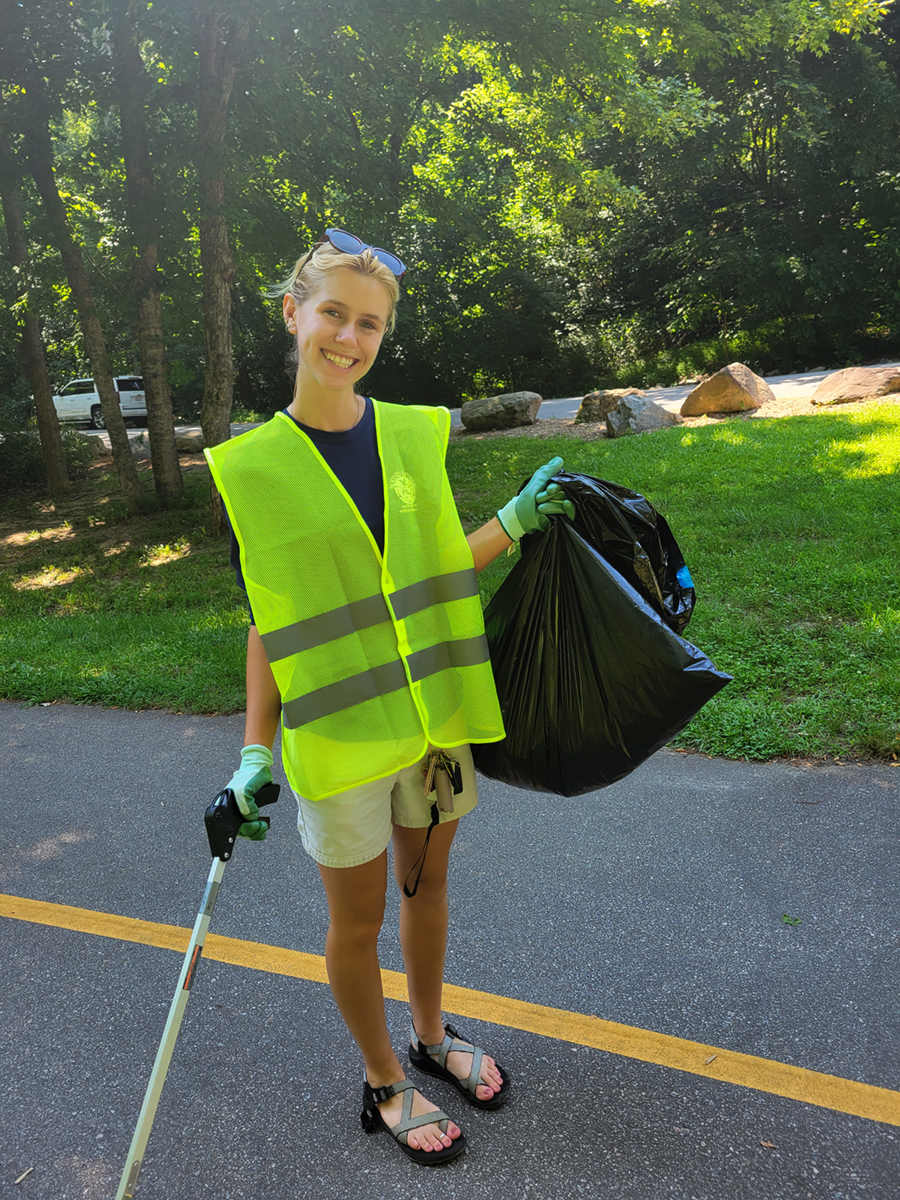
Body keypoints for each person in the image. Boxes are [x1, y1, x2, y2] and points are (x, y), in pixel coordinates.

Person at [205, 229, 575, 1166]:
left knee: (431, 886)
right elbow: (270, 622)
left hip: (435, 722)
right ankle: (383, 1081)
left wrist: (514, 522)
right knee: (358, 924)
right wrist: (254, 750)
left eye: (369, 323)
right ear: (292, 314)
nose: (349, 337)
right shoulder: (249, 469)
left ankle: (432, 1032)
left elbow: (435, 567)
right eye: (332, 313)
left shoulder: (414, 432)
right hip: (336, 742)